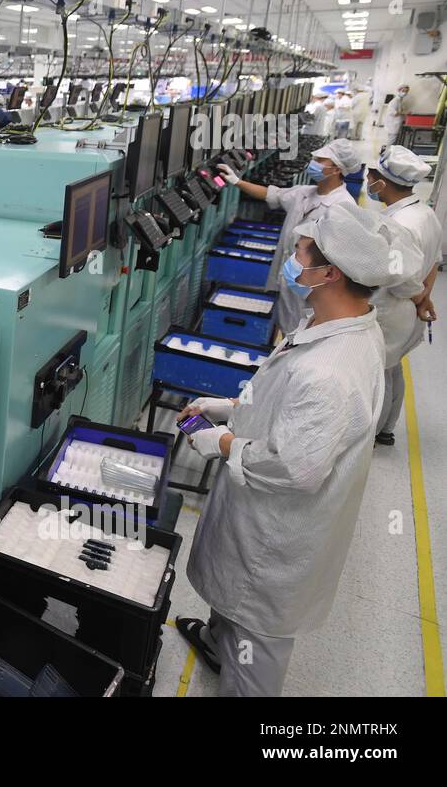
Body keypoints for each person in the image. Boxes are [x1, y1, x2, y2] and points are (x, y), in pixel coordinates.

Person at [175, 204, 401, 696]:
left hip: (276, 538)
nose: (291, 258)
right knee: (231, 608)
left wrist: (224, 441)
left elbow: (295, 465)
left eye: (300, 251)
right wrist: (234, 406)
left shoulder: (331, 372)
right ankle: (217, 641)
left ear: (329, 272)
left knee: (256, 641)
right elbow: (286, 404)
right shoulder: (339, 322)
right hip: (256, 512)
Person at [218, 137, 364, 334]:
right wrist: (236, 181)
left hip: (312, 289)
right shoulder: (305, 192)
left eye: (320, 161)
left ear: (336, 169)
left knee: (304, 333)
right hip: (289, 278)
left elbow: (343, 259)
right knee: (286, 328)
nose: (313, 164)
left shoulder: (344, 207)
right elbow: (272, 194)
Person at [366, 146, 442, 446]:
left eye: (371, 176)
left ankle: (371, 434)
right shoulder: (424, 213)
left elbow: (401, 281)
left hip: (393, 308)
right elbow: (433, 261)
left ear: (381, 183)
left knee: (377, 373)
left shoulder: (400, 225)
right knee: (392, 368)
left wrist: (418, 298)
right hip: (410, 309)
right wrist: (424, 299)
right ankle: (386, 429)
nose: (368, 181)